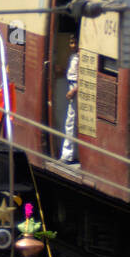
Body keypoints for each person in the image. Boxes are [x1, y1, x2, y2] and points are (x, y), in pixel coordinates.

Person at [60, 35, 78, 163]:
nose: (70, 46)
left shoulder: (81, 57)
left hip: (75, 88)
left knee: (70, 121)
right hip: (71, 85)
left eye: (73, 42)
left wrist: (73, 91)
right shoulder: (74, 56)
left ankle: (68, 155)